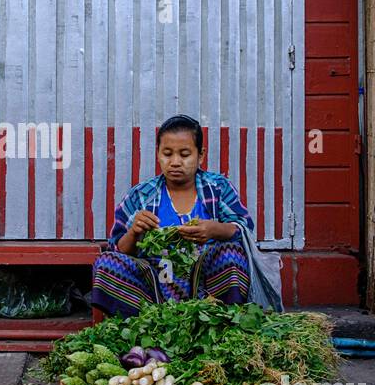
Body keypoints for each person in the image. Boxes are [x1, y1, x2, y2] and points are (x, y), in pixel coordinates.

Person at [89, 114, 254, 318]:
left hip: (207, 292)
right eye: (167, 154)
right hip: (153, 291)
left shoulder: (218, 188)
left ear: (200, 155)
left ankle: (220, 325)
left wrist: (216, 229)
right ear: (158, 154)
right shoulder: (140, 196)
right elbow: (117, 249)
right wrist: (134, 233)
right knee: (106, 264)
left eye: (185, 154)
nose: (175, 162)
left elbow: (244, 230)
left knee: (231, 253)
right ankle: (147, 327)